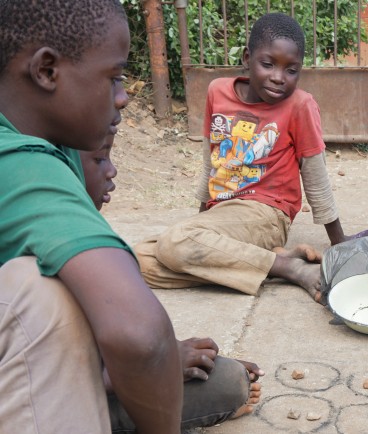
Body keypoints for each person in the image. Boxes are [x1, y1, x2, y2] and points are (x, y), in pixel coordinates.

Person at [0, 1, 256, 432]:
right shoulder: (18, 164)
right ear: (46, 71)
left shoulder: (51, 139)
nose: (123, 96)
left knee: (222, 380)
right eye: (114, 77)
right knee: (46, 295)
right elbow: (138, 334)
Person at [134, 12, 346, 303]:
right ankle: (271, 264)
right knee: (137, 261)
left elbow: (315, 175)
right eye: (268, 64)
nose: (278, 77)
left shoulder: (300, 105)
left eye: (291, 70)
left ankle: (290, 267)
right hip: (223, 212)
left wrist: (339, 241)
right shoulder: (217, 92)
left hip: (266, 214)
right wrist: (202, 220)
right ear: (248, 58)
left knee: (174, 244)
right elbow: (211, 159)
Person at [79, 136, 264, 431]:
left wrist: (172, 355)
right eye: (100, 159)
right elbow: (37, 385)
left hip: (95, 370)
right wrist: (156, 366)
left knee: (225, 377)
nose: (112, 171)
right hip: (51, 406)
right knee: (229, 384)